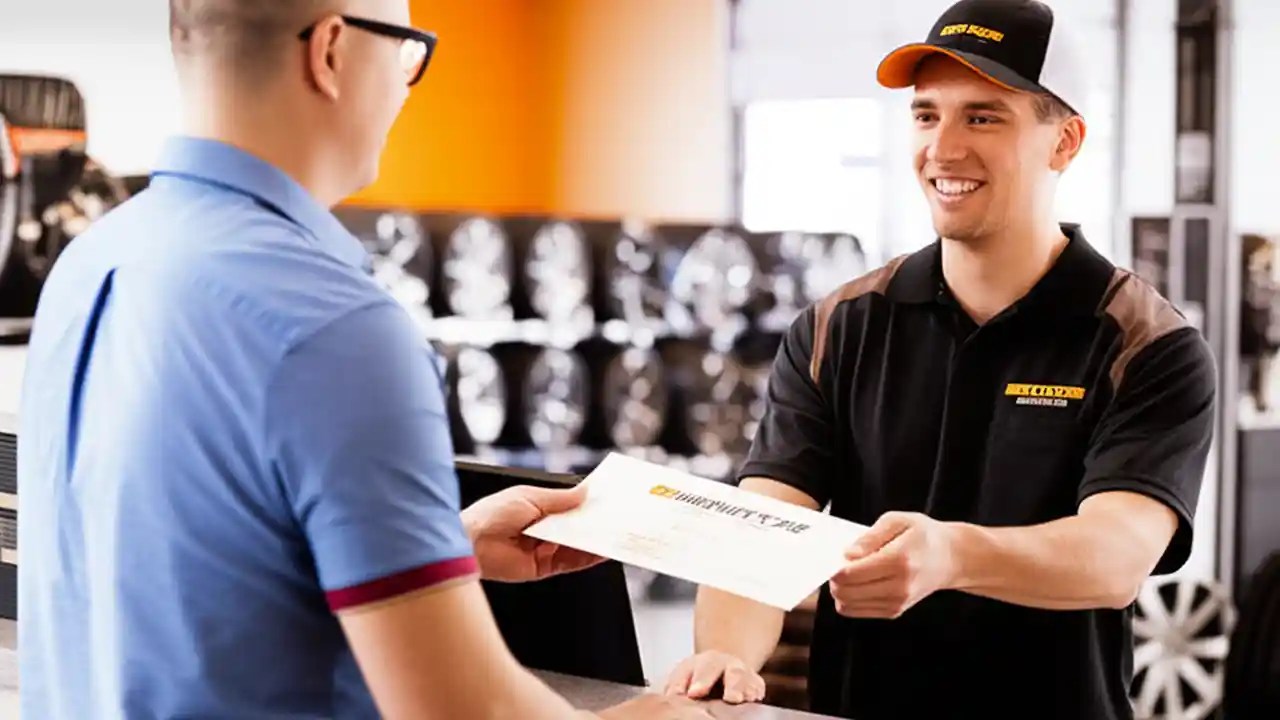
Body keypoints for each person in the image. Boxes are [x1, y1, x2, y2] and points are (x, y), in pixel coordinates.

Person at [17, 1, 711, 718]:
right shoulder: (331, 324)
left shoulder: (93, 261)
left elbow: (179, 570)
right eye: (410, 51)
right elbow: (459, 710)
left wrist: (446, 549)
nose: (407, 89)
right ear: (332, 50)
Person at [664, 1, 1216, 718]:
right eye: (927, 116)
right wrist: (727, 656)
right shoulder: (839, 327)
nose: (944, 148)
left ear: (1065, 142)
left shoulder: (1146, 344)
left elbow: (1114, 557)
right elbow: (764, 526)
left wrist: (951, 557)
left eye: (982, 117)